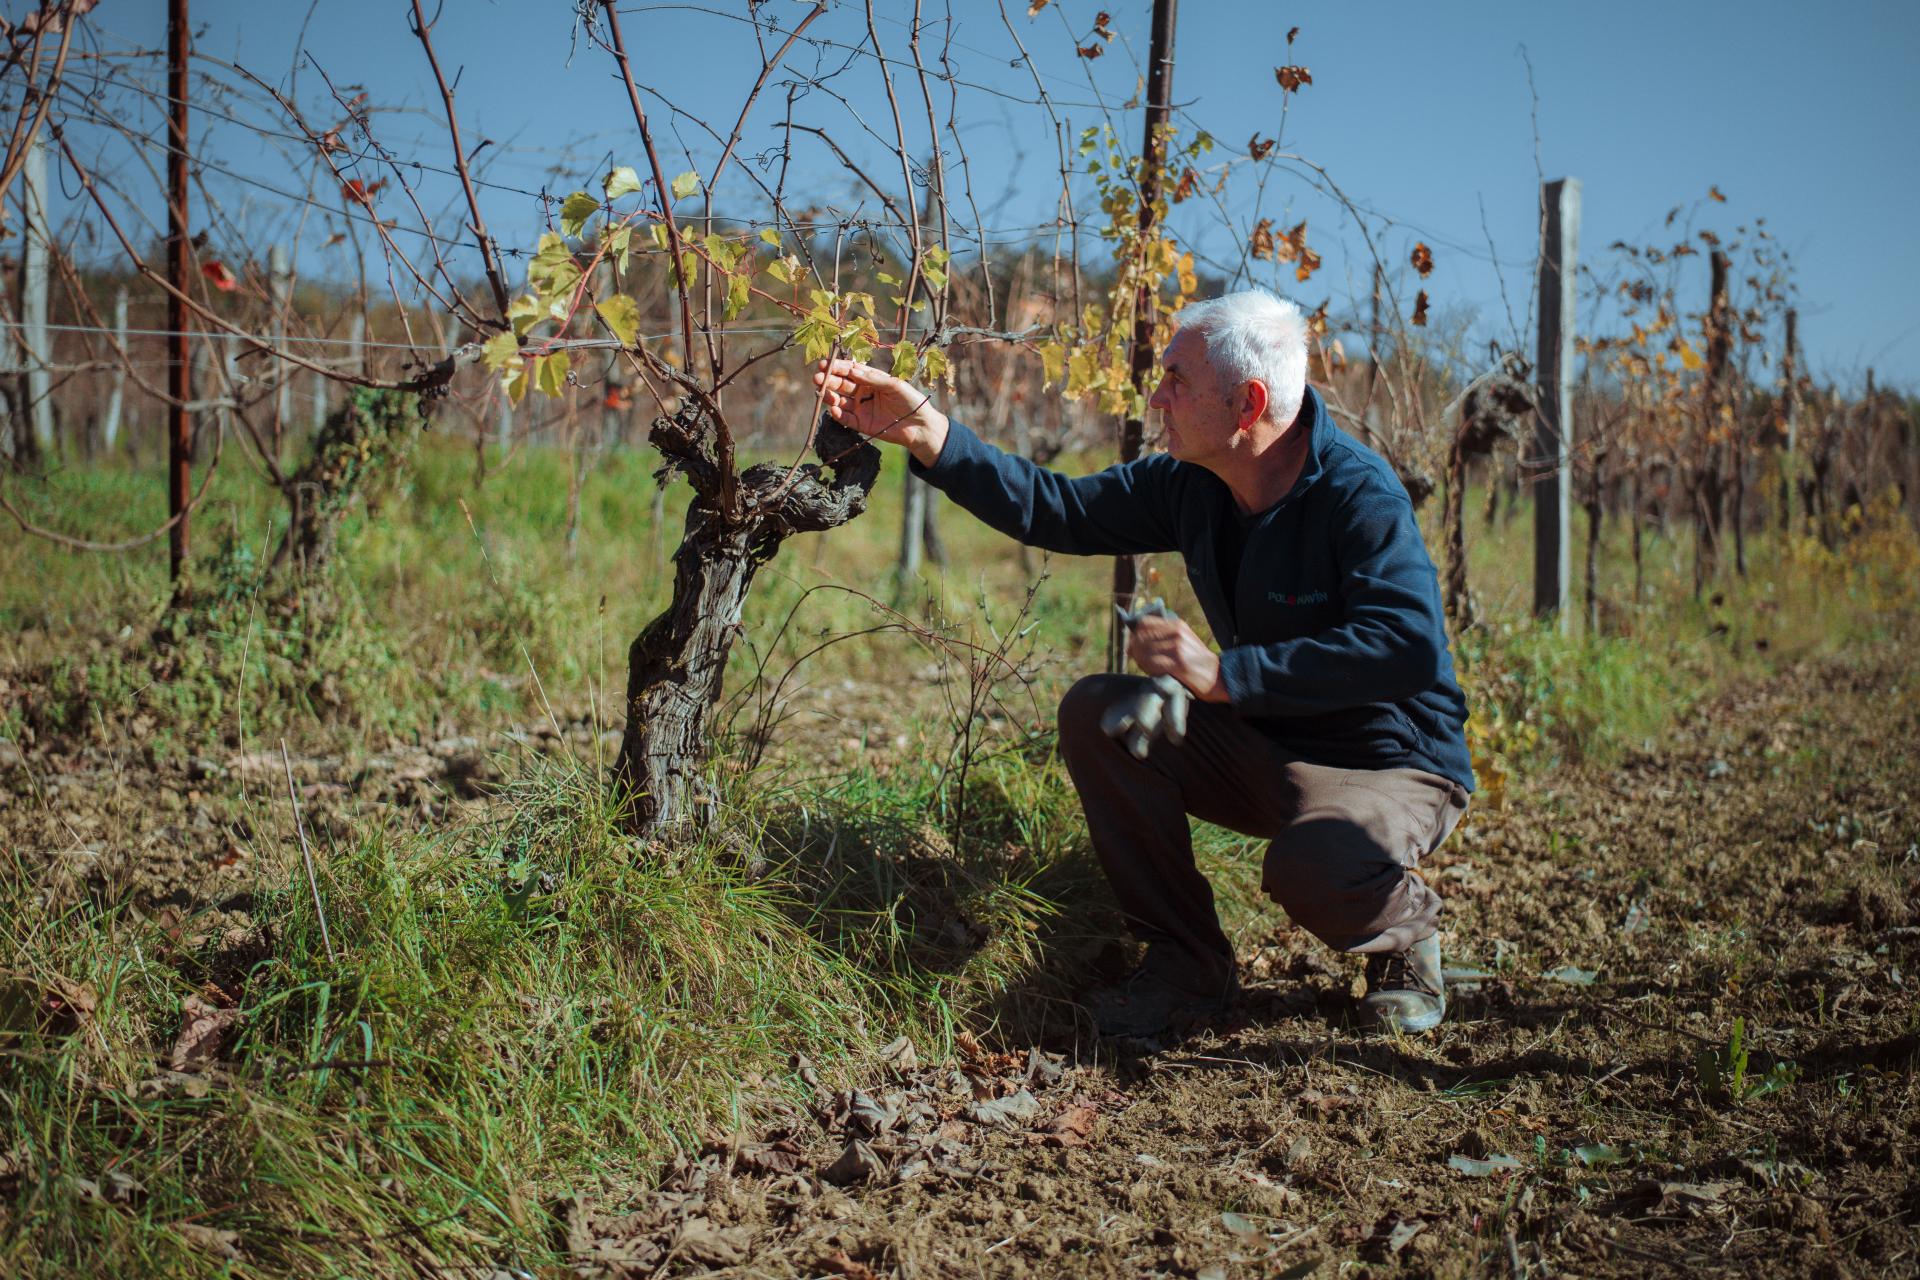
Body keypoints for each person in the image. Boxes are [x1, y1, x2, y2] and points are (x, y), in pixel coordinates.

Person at [813, 290, 1473, 1039]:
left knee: (1311, 866)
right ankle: (1186, 963)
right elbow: (1059, 508)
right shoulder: (1195, 479)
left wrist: (1229, 677)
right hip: (1269, 737)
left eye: (1177, 382)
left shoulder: (1358, 495)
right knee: (1101, 714)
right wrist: (928, 433)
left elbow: (1408, 646)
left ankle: (1406, 934)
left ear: (1248, 404)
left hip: (1390, 763)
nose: (1155, 396)